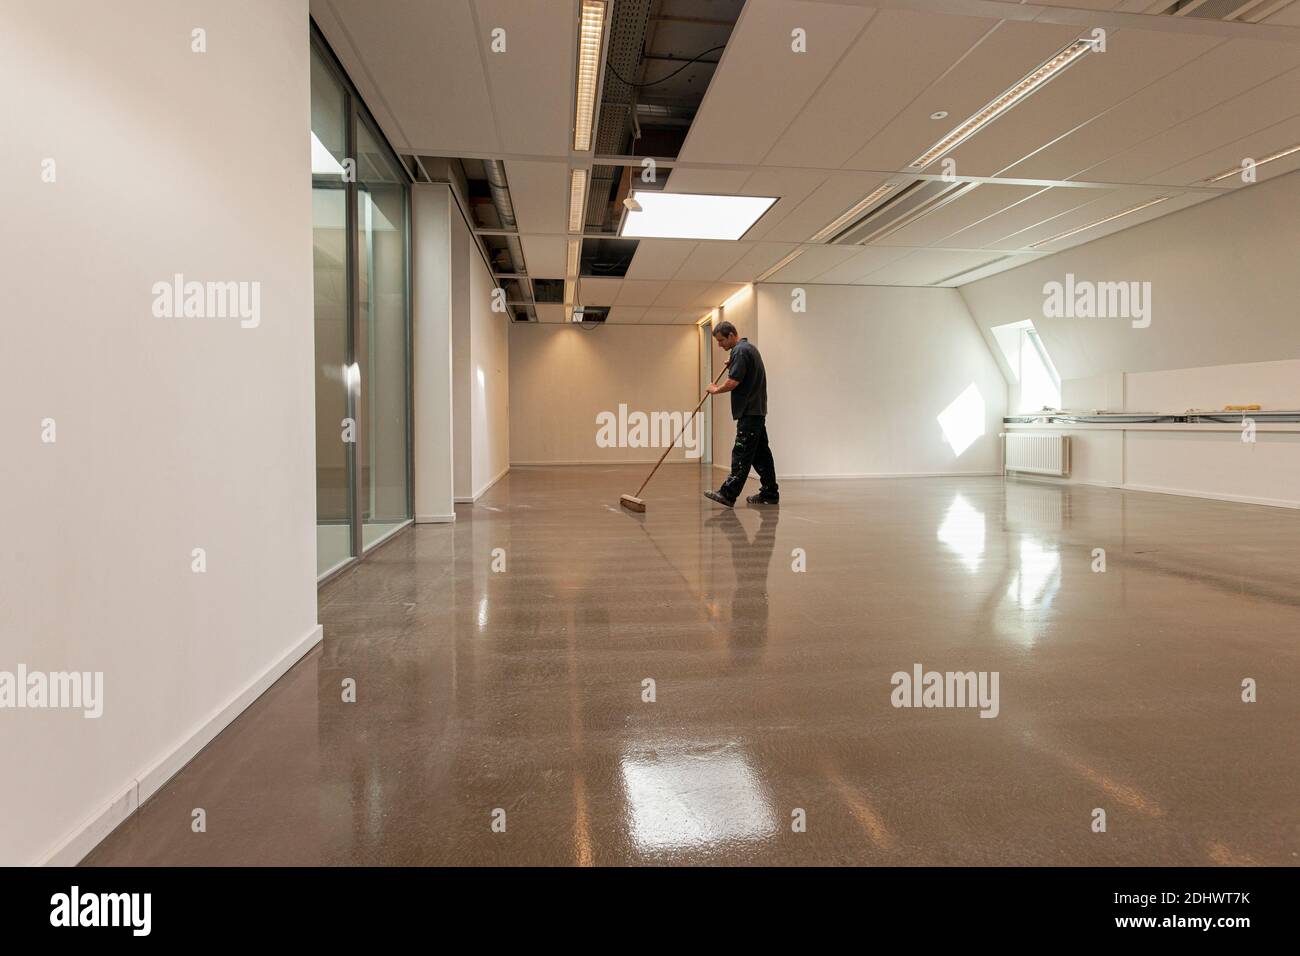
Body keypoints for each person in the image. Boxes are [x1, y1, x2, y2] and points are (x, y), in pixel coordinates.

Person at [704, 321, 779, 507]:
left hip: (749, 411)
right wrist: (733, 365)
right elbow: (745, 376)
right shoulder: (747, 350)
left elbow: (733, 382)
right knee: (761, 454)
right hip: (756, 411)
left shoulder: (740, 351)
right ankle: (770, 493)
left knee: (742, 452)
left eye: (721, 340)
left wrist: (715, 390)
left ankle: (728, 494)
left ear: (731, 335)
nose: (719, 345)